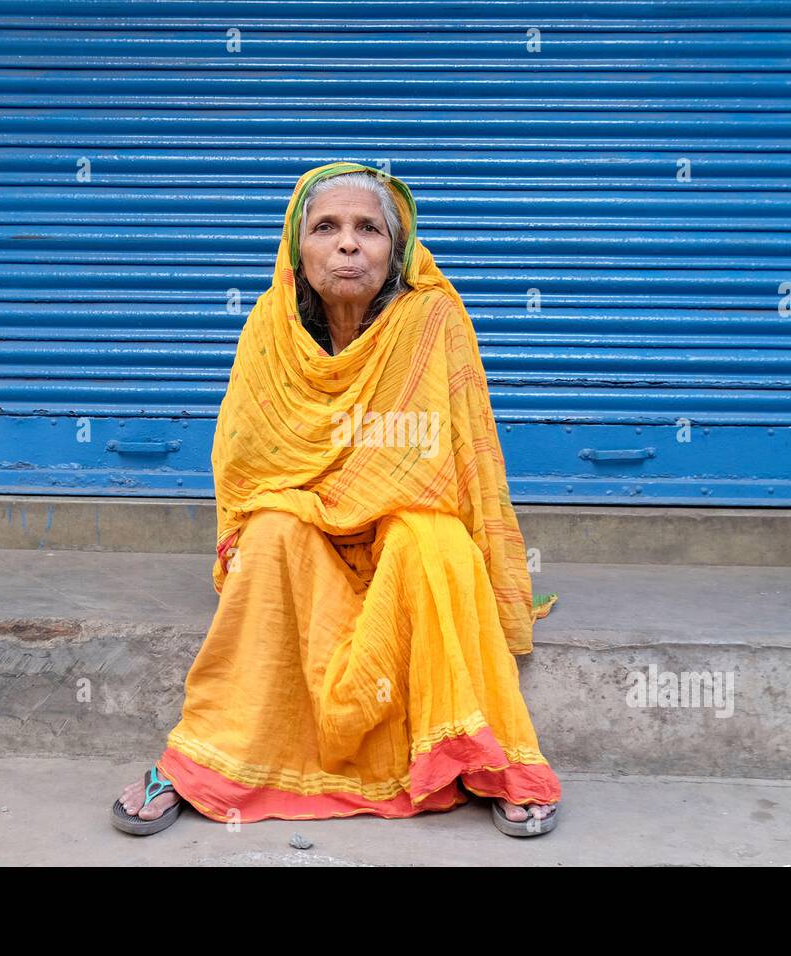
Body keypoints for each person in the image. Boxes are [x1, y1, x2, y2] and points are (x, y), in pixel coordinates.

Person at [112, 162, 561, 838]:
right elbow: (250, 466)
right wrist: (318, 513)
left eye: (368, 229)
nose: (348, 244)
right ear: (298, 249)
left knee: (433, 540)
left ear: (396, 249)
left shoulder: (430, 317)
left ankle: (497, 760)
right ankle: (208, 759)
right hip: (308, 543)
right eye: (326, 227)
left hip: (396, 543)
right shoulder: (270, 326)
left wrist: (360, 507)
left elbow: (455, 463)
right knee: (269, 531)